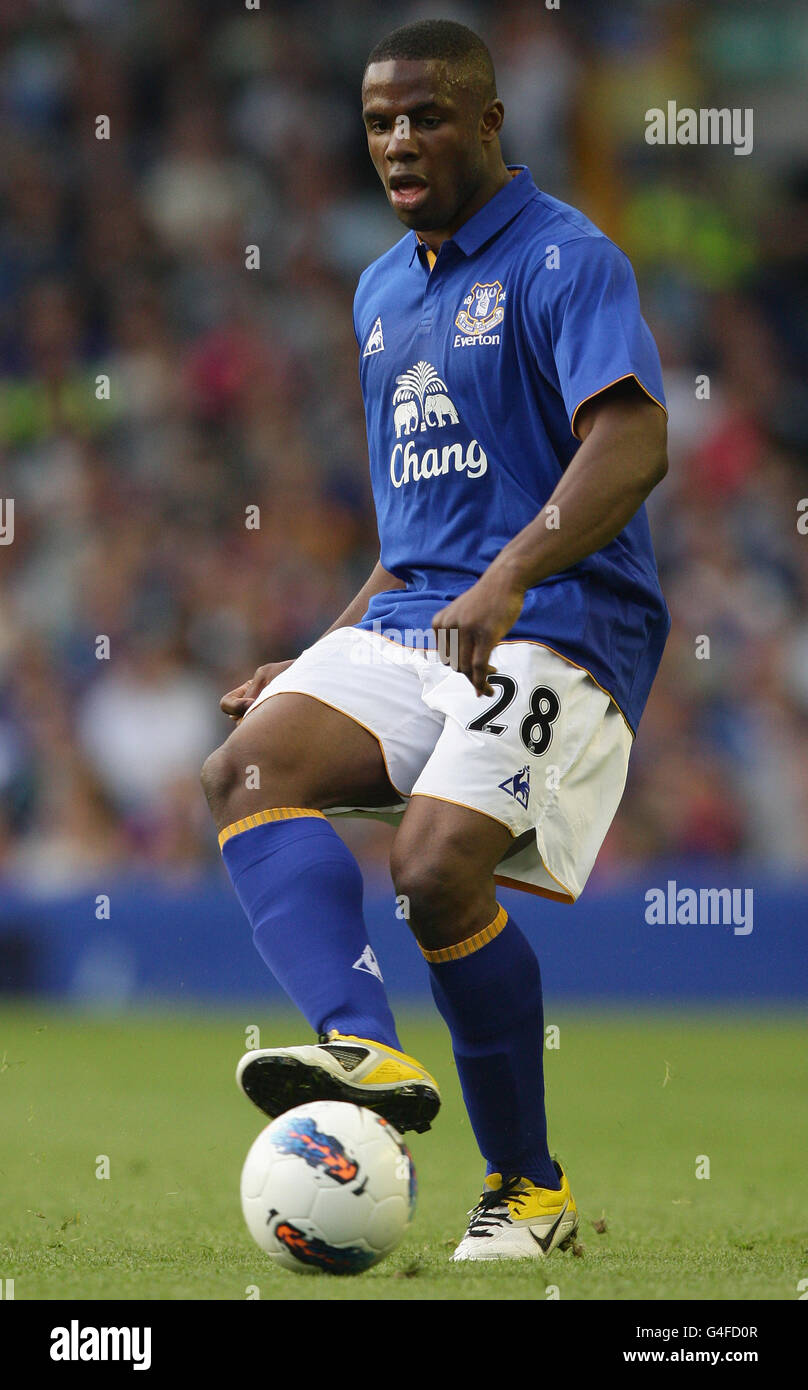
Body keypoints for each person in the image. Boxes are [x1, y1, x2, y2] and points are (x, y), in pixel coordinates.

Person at [201, 18, 669, 1262]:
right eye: (378, 122)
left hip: (561, 622)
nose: (399, 141)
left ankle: (528, 1188)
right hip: (419, 618)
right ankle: (362, 1046)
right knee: (248, 763)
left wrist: (513, 578)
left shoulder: (568, 261)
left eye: (426, 115)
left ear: (487, 121)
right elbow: (417, 534)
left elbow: (631, 441)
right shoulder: (379, 289)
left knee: (435, 862)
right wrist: (318, 652)